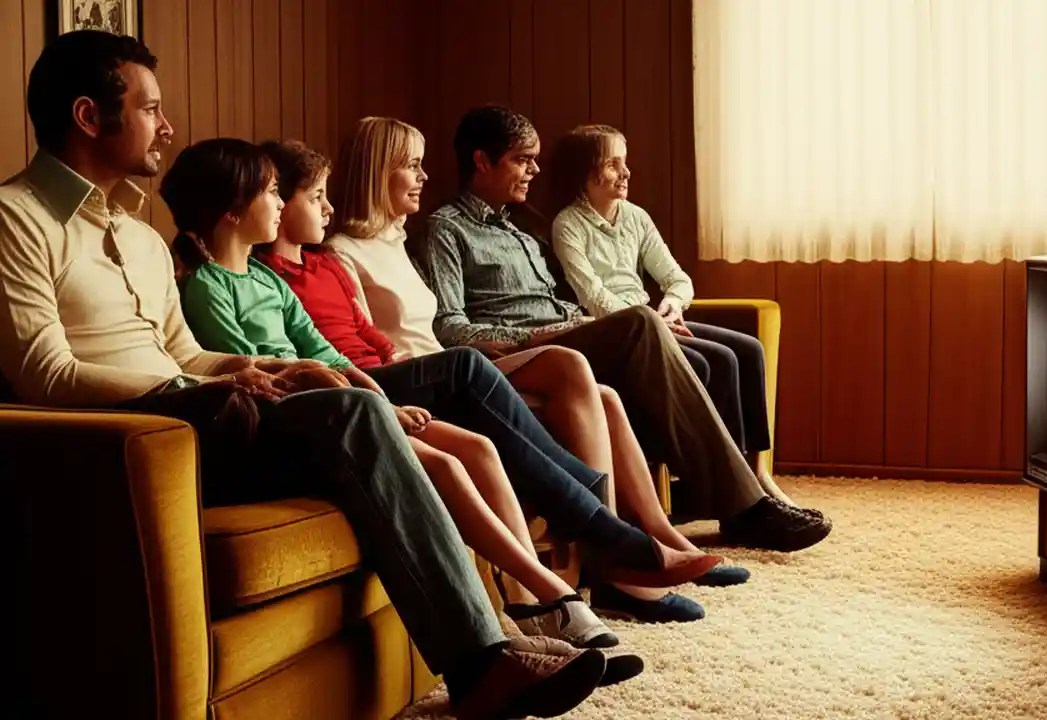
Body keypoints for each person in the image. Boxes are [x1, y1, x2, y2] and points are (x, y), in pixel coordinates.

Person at [0, 30, 608, 719]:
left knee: (351, 397)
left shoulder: (140, 237)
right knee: (359, 412)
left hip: (203, 415)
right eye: (149, 109)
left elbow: (182, 351)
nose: (166, 126)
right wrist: (203, 387)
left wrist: (267, 366)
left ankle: (498, 637)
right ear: (88, 117)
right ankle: (484, 657)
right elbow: (44, 373)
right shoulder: (16, 219)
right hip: (128, 444)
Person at [161, 137, 693, 649]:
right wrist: (373, 397)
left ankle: (543, 601)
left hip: (357, 390)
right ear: (233, 210)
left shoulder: (270, 280)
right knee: (464, 380)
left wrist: (379, 395)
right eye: (275, 193)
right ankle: (584, 551)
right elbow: (265, 373)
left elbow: (329, 351)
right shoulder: (208, 287)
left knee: (479, 446)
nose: (285, 204)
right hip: (309, 410)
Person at [318, 118, 730, 620]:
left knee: (604, 393)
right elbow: (376, 344)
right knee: (581, 353)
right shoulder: (346, 254)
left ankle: (643, 543)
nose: (424, 176)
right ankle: (619, 553)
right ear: (377, 171)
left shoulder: (399, 241)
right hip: (428, 377)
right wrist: (534, 337)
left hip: (455, 367)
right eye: (411, 166)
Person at [414, 105, 832, 552]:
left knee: (696, 340)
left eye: (534, 160)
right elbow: (450, 327)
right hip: (534, 350)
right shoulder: (446, 229)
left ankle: (739, 497)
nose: (534, 170)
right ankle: (745, 509)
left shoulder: (523, 228)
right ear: (481, 161)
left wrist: (587, 323)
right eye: (521, 159)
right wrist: (536, 336)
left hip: (570, 330)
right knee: (640, 319)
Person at [549, 124, 772, 470]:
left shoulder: (636, 217)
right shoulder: (567, 225)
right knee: (720, 360)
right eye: (612, 164)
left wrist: (673, 304)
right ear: (586, 173)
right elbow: (593, 296)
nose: (626, 173)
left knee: (749, 349)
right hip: (619, 328)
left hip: (653, 318)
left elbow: (677, 278)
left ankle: (756, 472)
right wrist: (651, 322)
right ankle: (723, 474)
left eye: (625, 162)